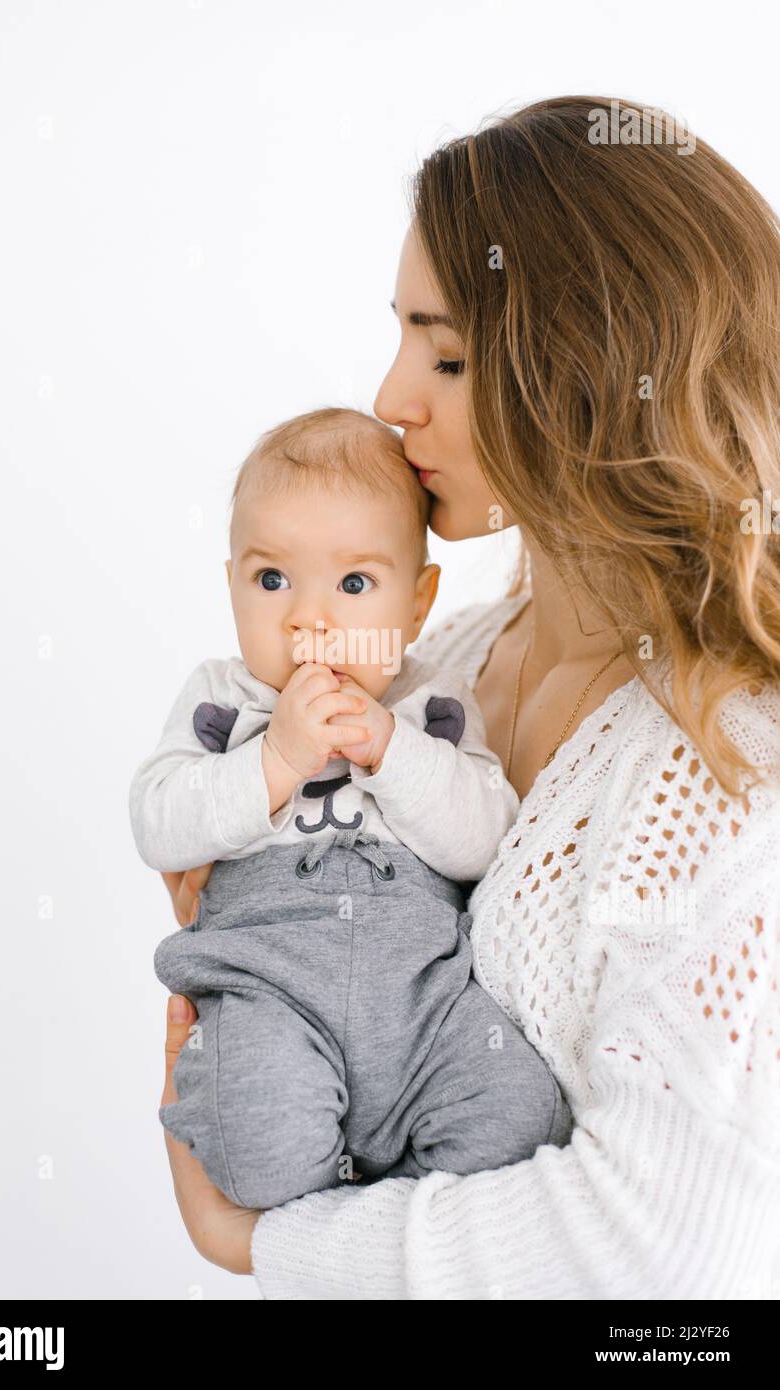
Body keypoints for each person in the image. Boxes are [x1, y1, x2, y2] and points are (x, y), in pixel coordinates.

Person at [157, 94, 780, 1298]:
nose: (394, 395)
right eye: (399, 335)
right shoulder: (452, 655)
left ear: (592, 370)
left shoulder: (728, 768)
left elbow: (670, 1250)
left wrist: (265, 1243)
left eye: (446, 353)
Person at [131, 406, 572, 1209]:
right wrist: (275, 760)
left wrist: (389, 752)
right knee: (254, 1149)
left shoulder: (433, 707)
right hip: (270, 994)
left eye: (355, 583)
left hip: (425, 1003)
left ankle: (385, 1218)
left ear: (417, 601)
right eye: (272, 580)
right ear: (231, 581)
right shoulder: (223, 705)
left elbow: (485, 841)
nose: (309, 618)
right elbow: (157, 822)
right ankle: (317, 1186)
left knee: (519, 1117)